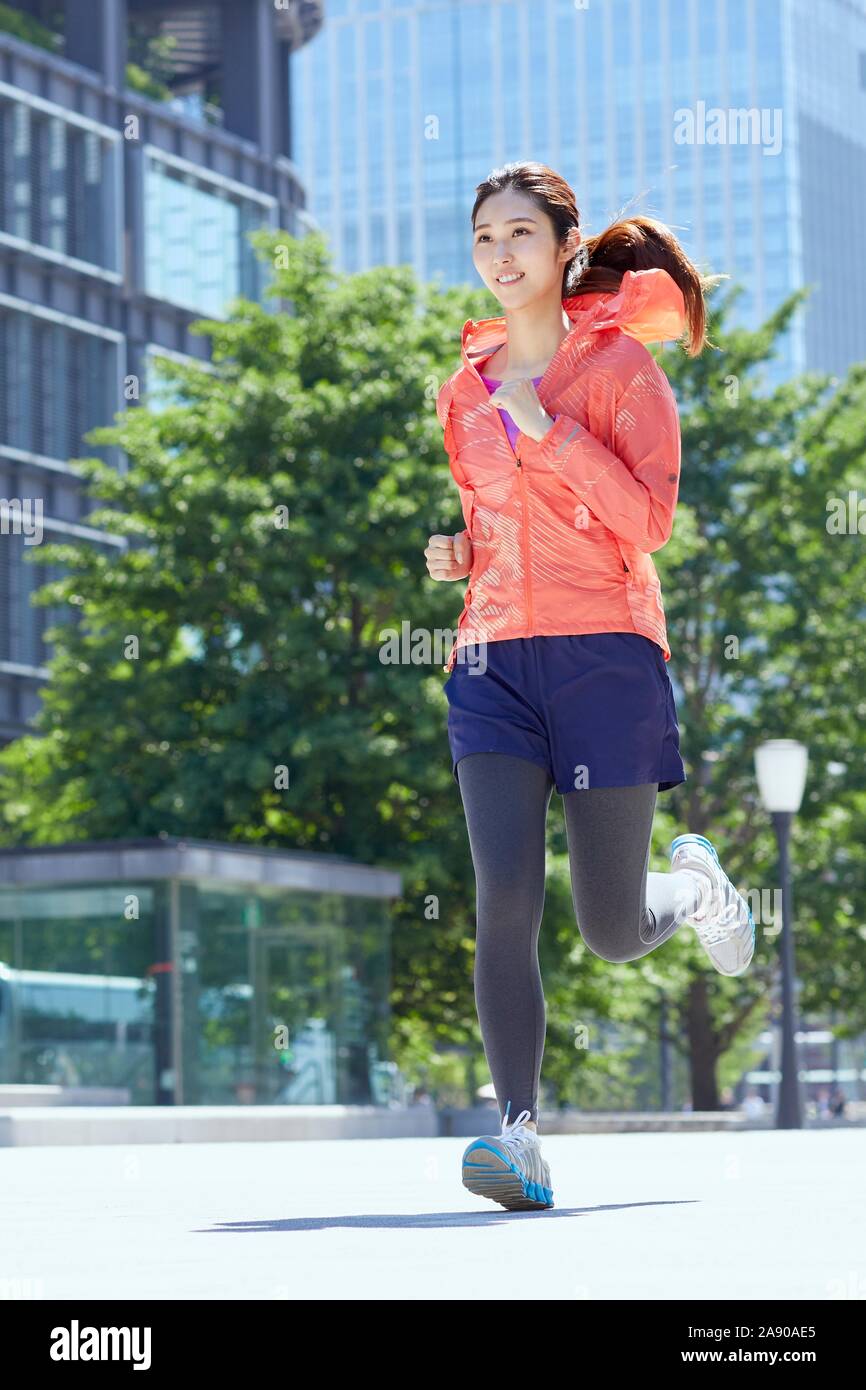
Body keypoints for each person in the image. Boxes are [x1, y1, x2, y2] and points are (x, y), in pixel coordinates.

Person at [425, 162, 756, 1213]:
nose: (500, 255)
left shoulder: (618, 372)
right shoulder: (461, 390)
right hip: (490, 662)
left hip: (605, 653)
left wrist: (550, 431)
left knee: (611, 927)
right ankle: (518, 1135)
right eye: (484, 238)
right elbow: (490, 522)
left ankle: (695, 886)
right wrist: (452, 552)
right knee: (502, 896)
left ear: (565, 247)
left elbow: (645, 525)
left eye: (519, 233)